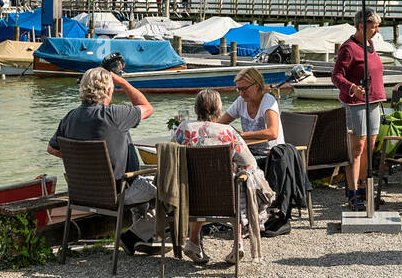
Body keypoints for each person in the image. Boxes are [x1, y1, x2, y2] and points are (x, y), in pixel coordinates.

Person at [47, 67, 159, 255]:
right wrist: (123, 82)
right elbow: (147, 108)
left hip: (82, 193)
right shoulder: (114, 115)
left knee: (137, 182)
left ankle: (143, 239)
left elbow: (52, 149)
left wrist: (84, 159)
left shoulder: (70, 117)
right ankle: (134, 236)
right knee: (172, 192)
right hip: (117, 193)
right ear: (109, 90)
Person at [172, 89, 273, 265]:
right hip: (225, 199)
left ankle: (193, 241)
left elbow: (172, 157)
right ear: (219, 111)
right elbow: (250, 164)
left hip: (191, 197)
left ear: (196, 109)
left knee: (201, 178)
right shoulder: (228, 132)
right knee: (242, 179)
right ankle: (238, 242)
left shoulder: (183, 129)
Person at [331, 8, 385, 211]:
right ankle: (353, 191)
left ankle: (363, 185)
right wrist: (352, 87)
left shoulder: (370, 44)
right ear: (362, 26)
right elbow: (336, 76)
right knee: (357, 147)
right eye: (374, 27)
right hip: (356, 103)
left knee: (369, 148)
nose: (377, 31)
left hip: (374, 100)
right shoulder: (348, 48)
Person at [219, 67, 282, 151]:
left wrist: (242, 135)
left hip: (271, 154)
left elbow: (273, 133)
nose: (241, 93)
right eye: (239, 89)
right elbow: (219, 124)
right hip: (250, 152)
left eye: (244, 89)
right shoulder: (240, 101)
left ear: (256, 86)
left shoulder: (268, 101)